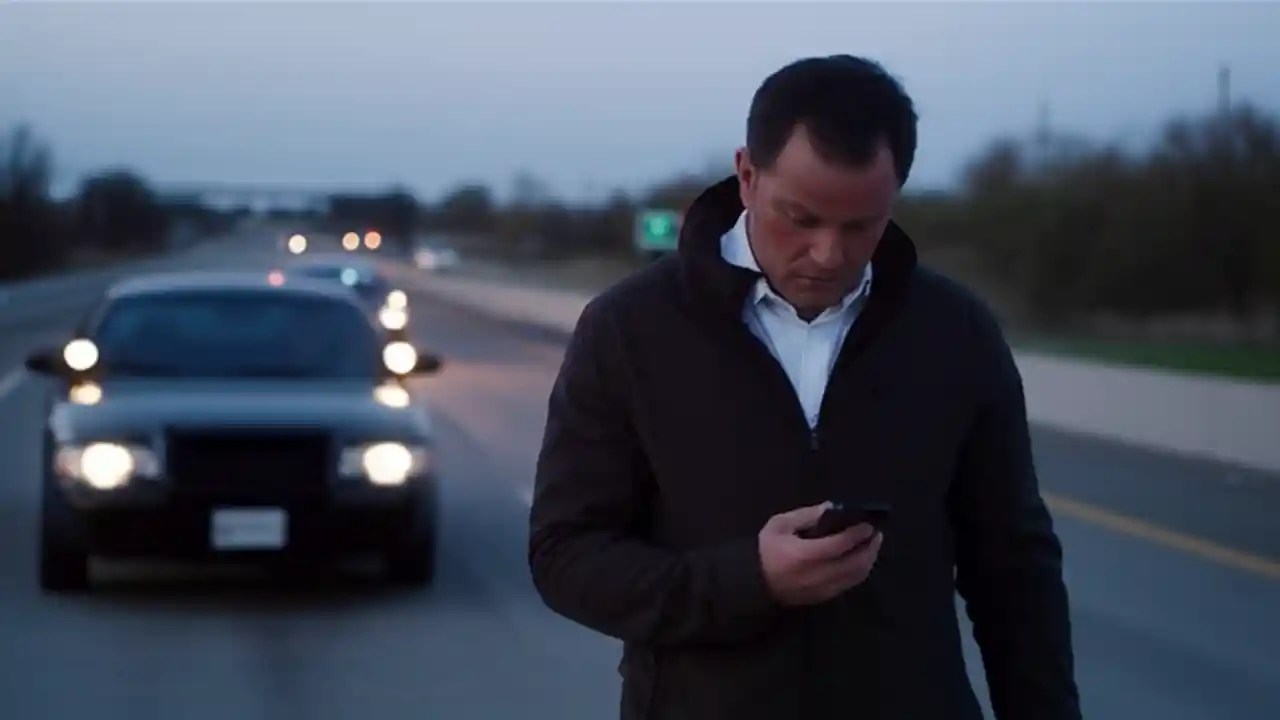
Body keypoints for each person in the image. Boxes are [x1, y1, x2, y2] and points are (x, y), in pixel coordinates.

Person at [528, 54, 1081, 720]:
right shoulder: (628, 329)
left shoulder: (955, 331)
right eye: (801, 217)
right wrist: (748, 580)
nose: (828, 253)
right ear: (747, 175)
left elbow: (1015, 571)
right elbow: (566, 557)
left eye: (860, 226)